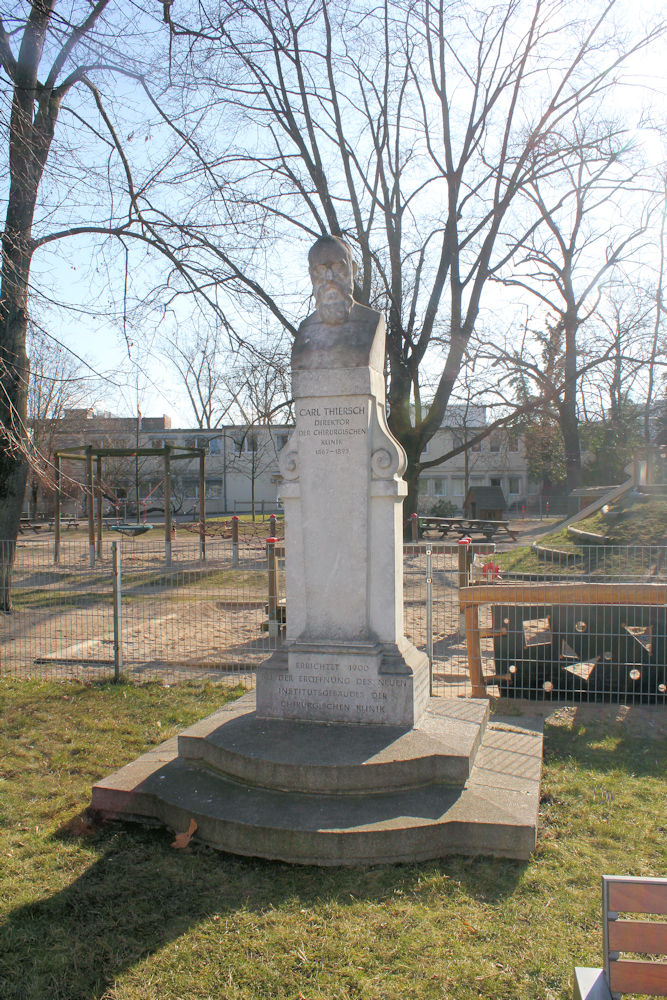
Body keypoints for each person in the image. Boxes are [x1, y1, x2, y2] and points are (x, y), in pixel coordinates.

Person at [293, 235, 385, 371]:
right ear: (311, 274)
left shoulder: (372, 321)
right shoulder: (305, 329)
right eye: (320, 270)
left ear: (353, 270)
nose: (329, 278)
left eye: (338, 267)